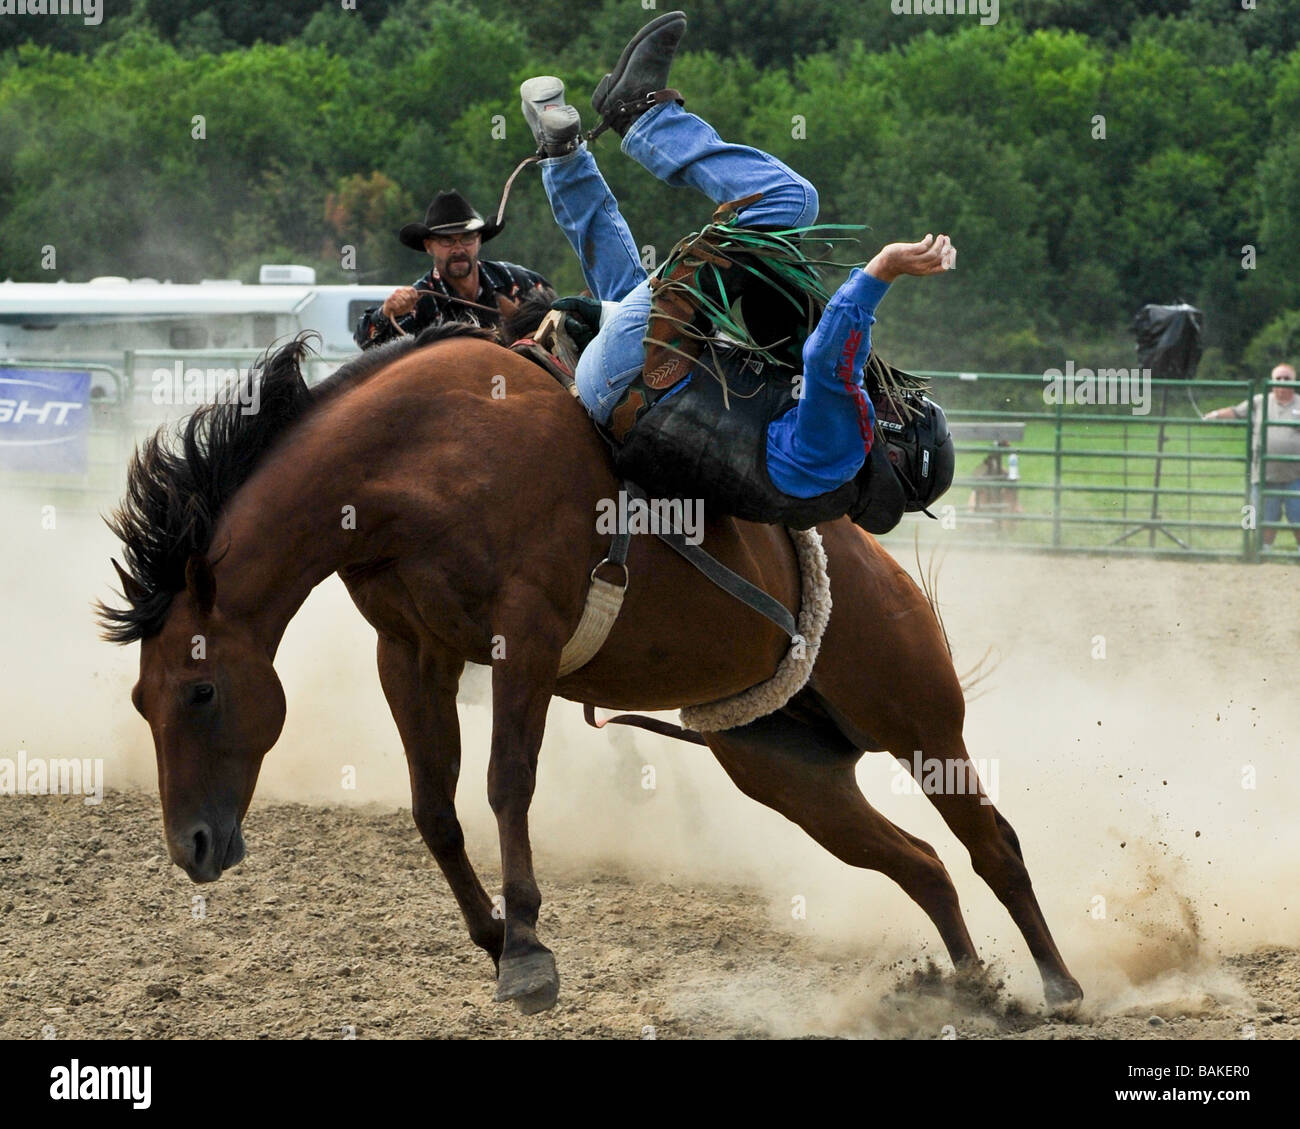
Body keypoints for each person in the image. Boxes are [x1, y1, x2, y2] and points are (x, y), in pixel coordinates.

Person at [517, 12, 954, 528]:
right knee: (639, 291)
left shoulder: (841, 447)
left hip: (633, 377)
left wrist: (882, 270)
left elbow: (830, 362)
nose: (891, 400)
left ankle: (641, 119)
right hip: (620, 393)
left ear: (898, 444)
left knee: (790, 201)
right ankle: (563, 157)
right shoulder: (819, 484)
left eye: (901, 411)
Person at [353, 189, 551, 349]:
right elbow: (365, 341)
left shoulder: (516, 281)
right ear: (429, 246)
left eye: (467, 238)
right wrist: (386, 312)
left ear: (479, 241)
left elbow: (557, 317)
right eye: (447, 241)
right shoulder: (420, 303)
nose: (458, 249)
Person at [1204, 362, 1300, 550]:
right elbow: (1236, 411)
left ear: (1294, 381)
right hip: (1265, 474)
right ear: (1272, 382)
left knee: (1298, 516)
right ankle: (1263, 553)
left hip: (1296, 476)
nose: (1282, 381)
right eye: (1278, 378)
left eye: (1286, 378)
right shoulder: (1259, 400)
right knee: (1265, 517)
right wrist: (1214, 415)